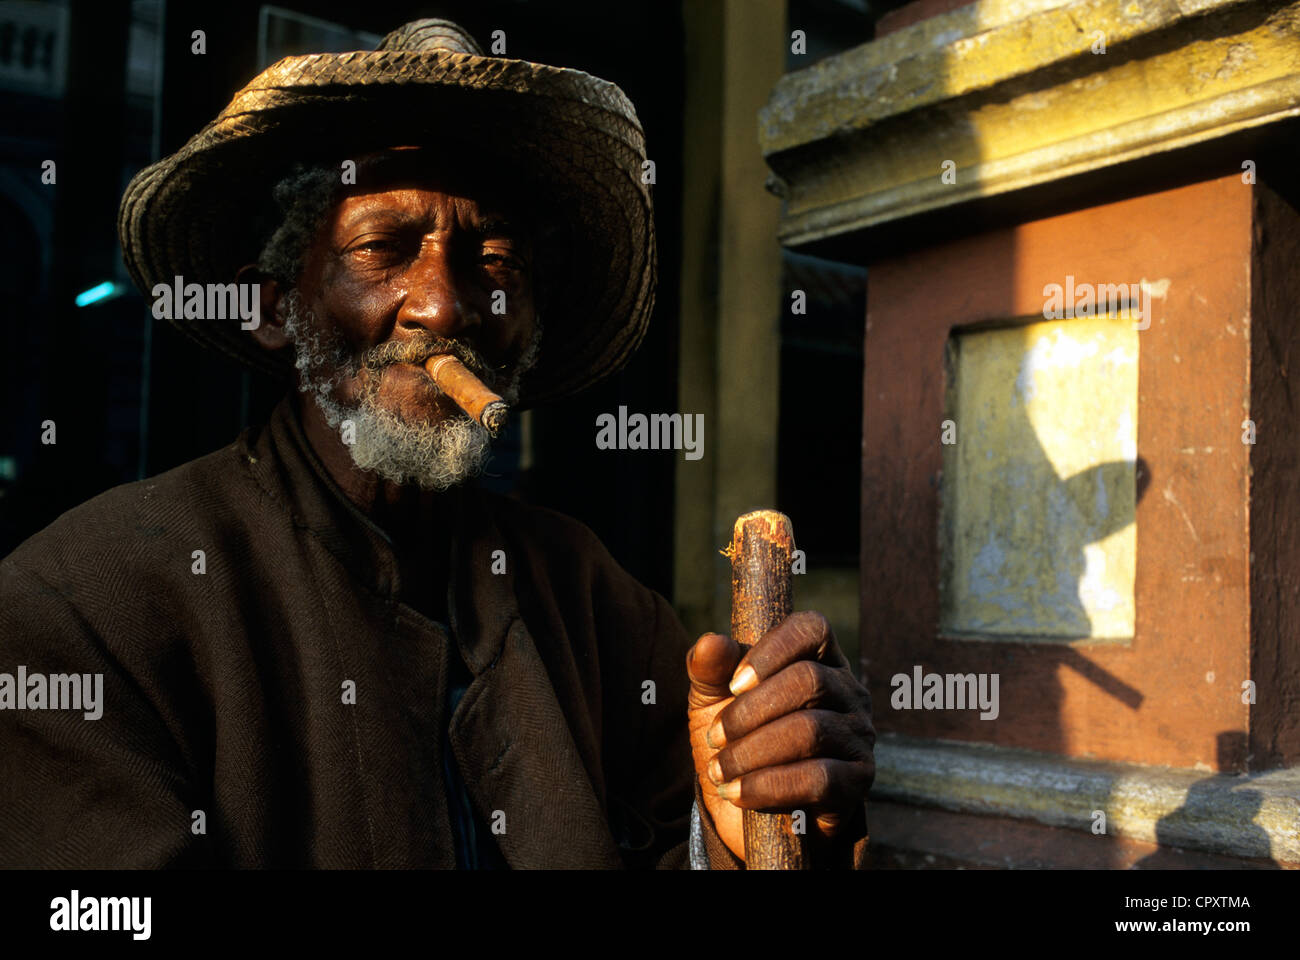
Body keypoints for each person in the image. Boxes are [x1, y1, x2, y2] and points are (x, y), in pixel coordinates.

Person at [0, 19, 873, 869]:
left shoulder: (595, 599)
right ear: (273, 307)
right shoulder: (84, 610)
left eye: (493, 261)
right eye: (383, 249)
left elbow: (690, 834)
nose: (445, 308)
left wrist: (732, 833)